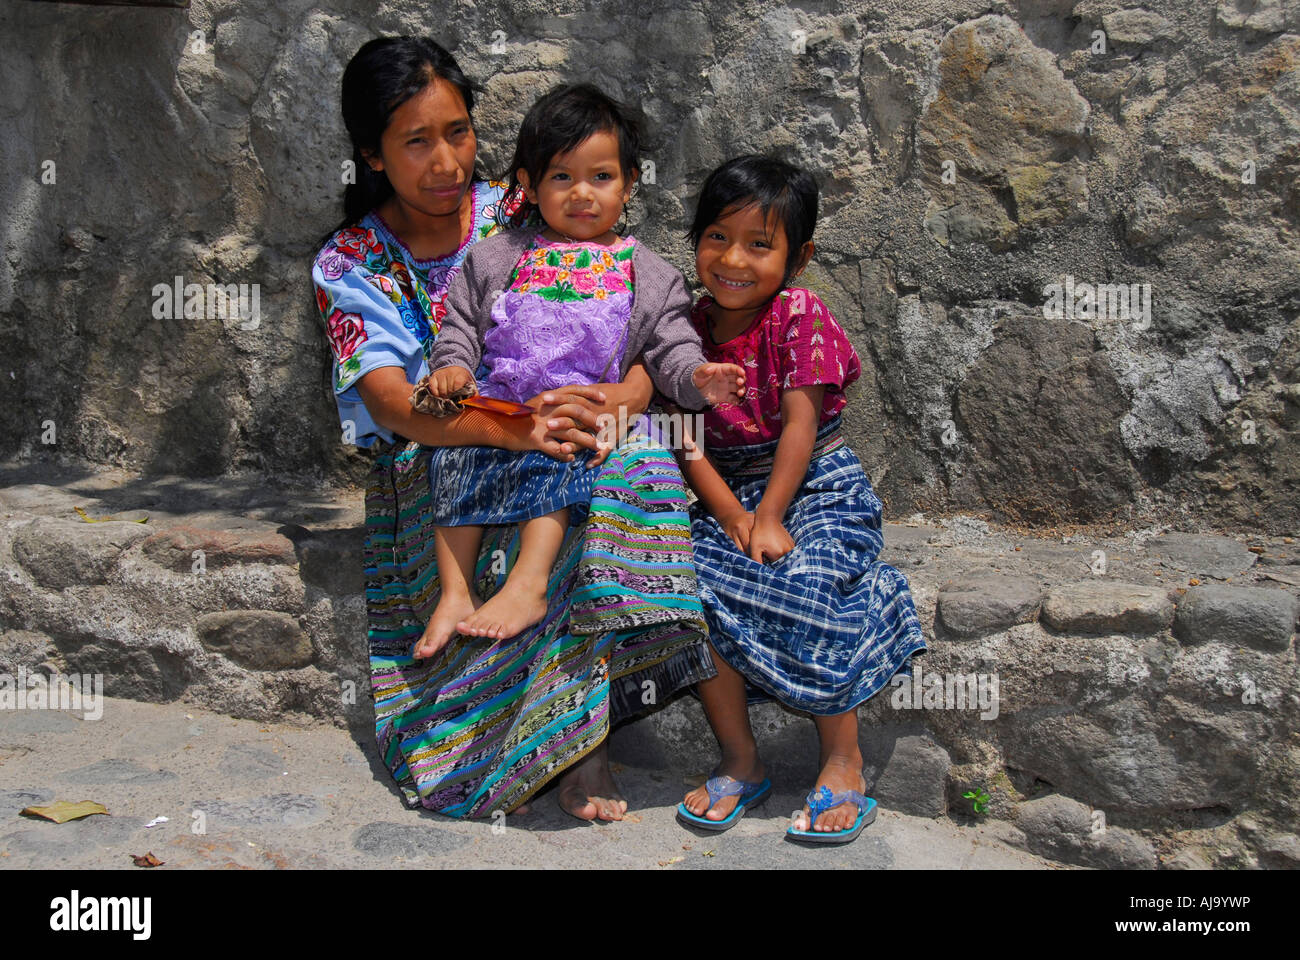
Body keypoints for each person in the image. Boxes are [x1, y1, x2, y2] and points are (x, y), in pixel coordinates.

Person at [312, 36, 716, 821]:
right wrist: (510, 432)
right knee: (547, 490)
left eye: (457, 132)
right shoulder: (352, 261)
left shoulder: (525, 203)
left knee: (627, 471)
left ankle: (582, 743)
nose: (445, 163)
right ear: (371, 154)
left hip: (569, 419)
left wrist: (623, 398)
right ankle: (550, 741)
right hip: (437, 455)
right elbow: (398, 406)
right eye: (416, 142)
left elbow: (647, 323)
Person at [412, 83, 745, 659]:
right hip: (503, 406)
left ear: (629, 183)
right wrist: (451, 369)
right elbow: (461, 325)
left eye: (602, 177)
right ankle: (455, 592)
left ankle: (529, 583)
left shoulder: (651, 273)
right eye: (562, 177)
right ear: (529, 184)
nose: (582, 194)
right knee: (451, 458)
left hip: (585, 413)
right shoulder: (496, 256)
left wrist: (696, 379)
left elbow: (670, 348)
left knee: (560, 454)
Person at [671, 155, 928, 844]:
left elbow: (801, 426)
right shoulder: (682, 330)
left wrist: (771, 517)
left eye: (761, 244)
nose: (733, 259)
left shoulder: (799, 312)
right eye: (717, 237)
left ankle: (842, 760)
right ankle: (740, 758)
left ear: (799, 254)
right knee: (682, 586)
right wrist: (733, 517)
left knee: (807, 581)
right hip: (724, 488)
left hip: (816, 484)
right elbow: (684, 442)